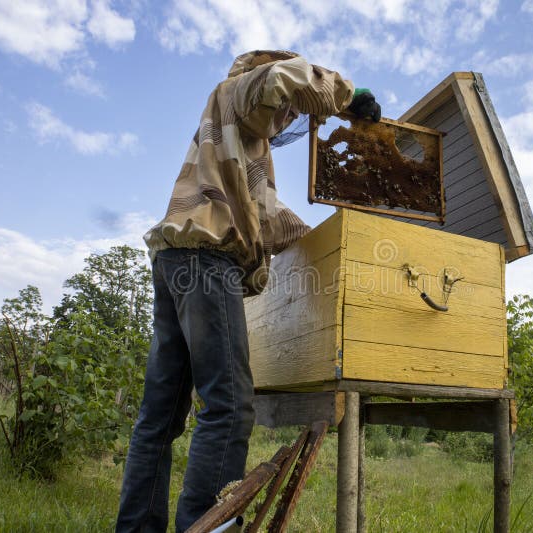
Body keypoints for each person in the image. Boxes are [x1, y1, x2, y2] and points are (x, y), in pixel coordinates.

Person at [115, 50, 380, 533]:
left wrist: (331, 241)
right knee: (231, 406)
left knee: (159, 418)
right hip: (205, 261)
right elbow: (288, 76)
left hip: (176, 260)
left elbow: (271, 223)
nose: (291, 116)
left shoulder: (246, 146)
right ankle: (204, 525)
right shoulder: (242, 89)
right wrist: (348, 97)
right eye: (292, 109)